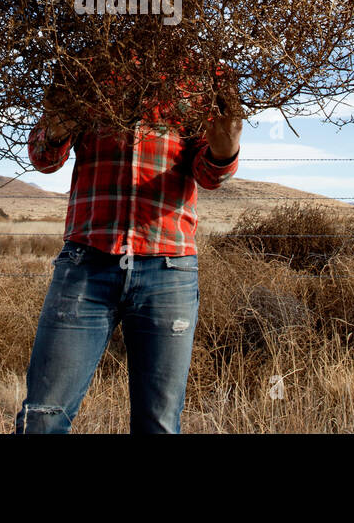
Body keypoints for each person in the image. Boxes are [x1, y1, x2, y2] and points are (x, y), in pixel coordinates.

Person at [13, 57, 242, 434]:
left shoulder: (202, 74)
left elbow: (207, 173)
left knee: (159, 425)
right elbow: (43, 158)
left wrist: (224, 150)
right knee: (42, 419)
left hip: (168, 267)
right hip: (87, 259)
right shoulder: (83, 66)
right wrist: (56, 129)